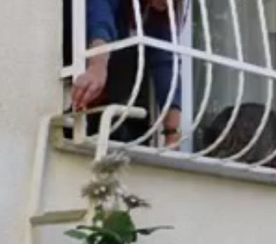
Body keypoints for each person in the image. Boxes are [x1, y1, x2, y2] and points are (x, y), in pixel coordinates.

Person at [66, 0, 189, 147]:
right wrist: (97, 66)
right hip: (74, 88)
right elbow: (101, 16)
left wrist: (172, 132)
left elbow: (165, 61)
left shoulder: (157, 12)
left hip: (108, 104)